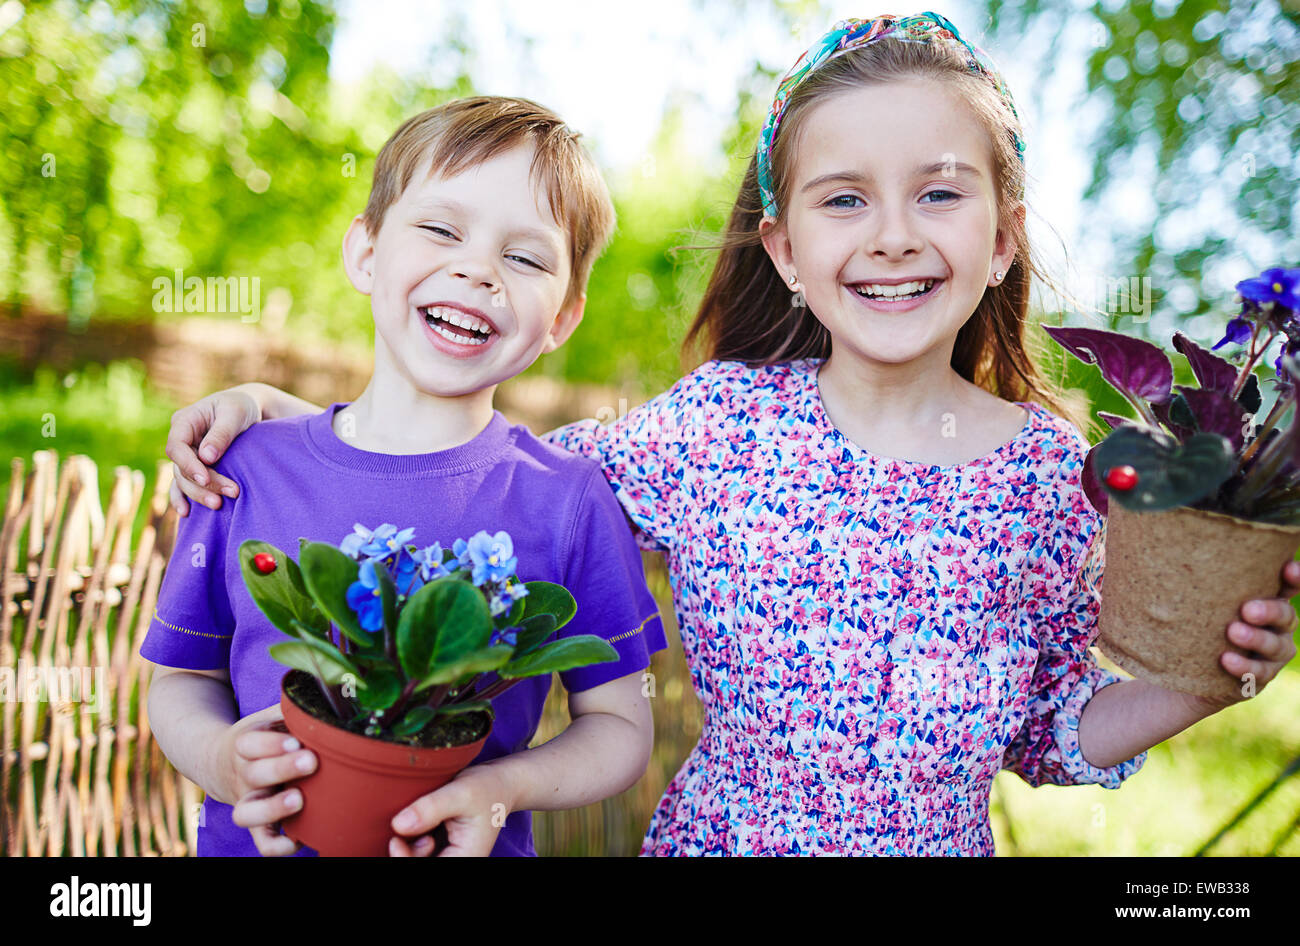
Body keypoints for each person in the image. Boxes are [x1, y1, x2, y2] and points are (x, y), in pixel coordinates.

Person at [163, 14, 1299, 855]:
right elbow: (483, 468)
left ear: (1003, 237)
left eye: (939, 196)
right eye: (844, 198)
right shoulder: (717, 427)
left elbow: (1054, 733)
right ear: (788, 251)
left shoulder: (1056, 479)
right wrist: (278, 417)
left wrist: (1206, 684)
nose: (892, 234)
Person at [141, 96, 667, 857]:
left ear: (562, 319)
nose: (477, 268)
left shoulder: (569, 500)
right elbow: (179, 681)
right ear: (365, 251)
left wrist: (500, 789)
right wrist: (224, 762)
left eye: (524, 257)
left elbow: (621, 727)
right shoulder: (248, 468)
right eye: (441, 229)